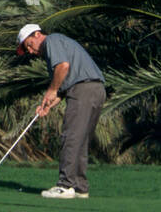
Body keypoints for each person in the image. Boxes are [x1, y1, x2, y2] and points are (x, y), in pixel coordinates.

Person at [16, 22, 106, 199]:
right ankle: (80, 187)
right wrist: (49, 104)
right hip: (95, 90)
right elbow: (64, 87)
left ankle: (65, 185)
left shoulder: (52, 41)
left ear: (36, 35)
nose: (31, 52)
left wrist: (51, 90)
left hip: (84, 91)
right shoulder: (58, 45)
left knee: (71, 136)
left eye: (29, 46)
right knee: (80, 139)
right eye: (27, 51)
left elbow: (63, 67)